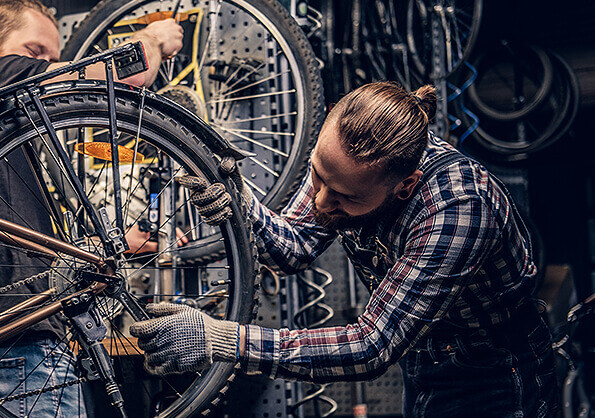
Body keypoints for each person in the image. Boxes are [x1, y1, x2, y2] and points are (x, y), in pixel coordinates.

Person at [129, 82, 559, 417]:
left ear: (404, 187)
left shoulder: (459, 207)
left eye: (345, 198)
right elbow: (292, 247)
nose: (320, 202)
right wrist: (238, 201)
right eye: (317, 176)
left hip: (496, 372)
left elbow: (372, 345)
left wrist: (225, 340)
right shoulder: (342, 164)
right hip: (425, 362)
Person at [0, 0, 183, 416]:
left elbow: (20, 261)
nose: (44, 67)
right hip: (16, 354)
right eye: (35, 53)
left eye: (53, 60)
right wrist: (155, 40)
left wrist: (114, 245)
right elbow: (123, 73)